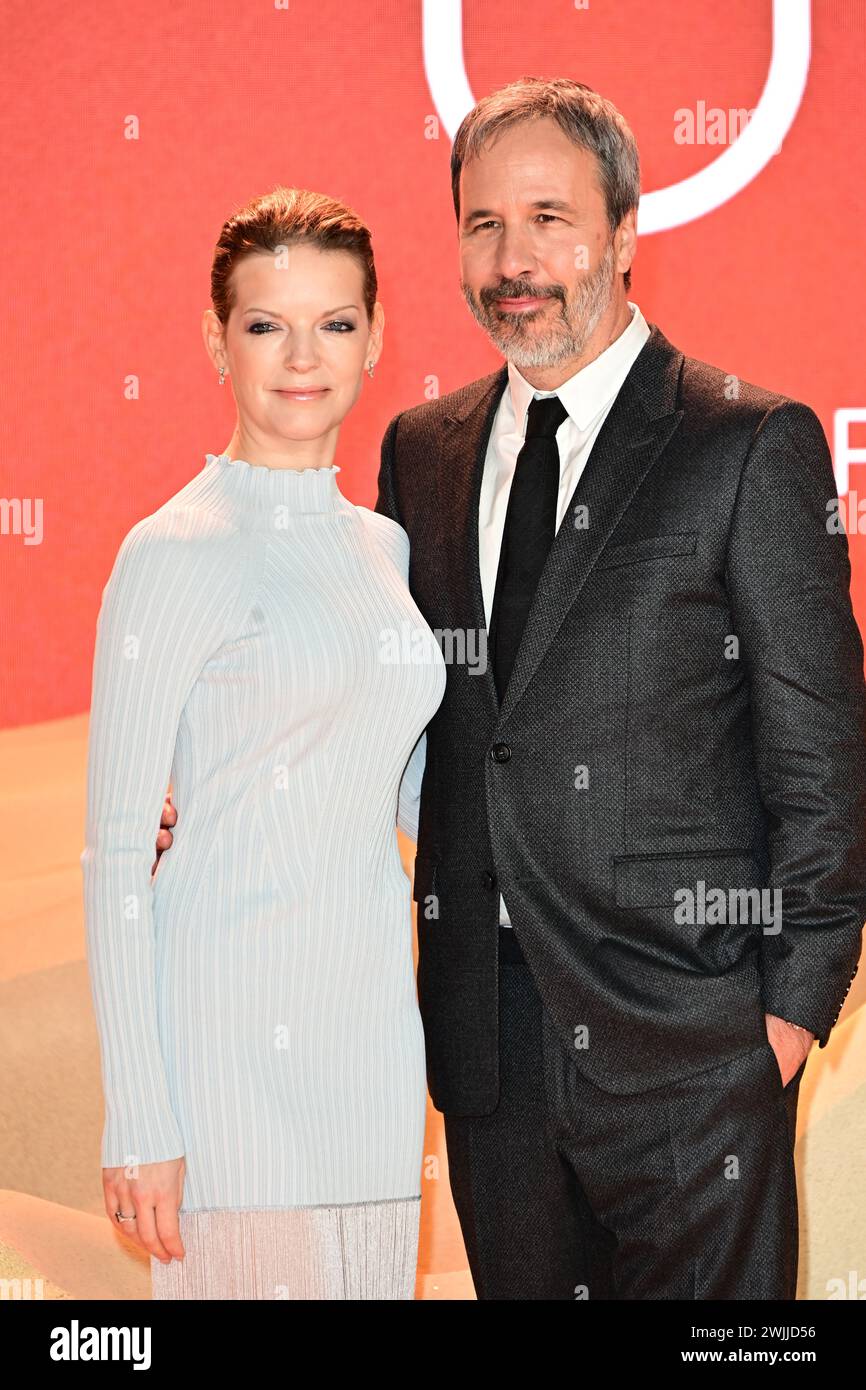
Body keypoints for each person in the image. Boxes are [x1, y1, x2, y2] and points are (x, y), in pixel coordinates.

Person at [372, 77, 866, 1299]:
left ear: (625, 232)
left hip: (691, 1044)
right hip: (488, 1052)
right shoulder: (419, 452)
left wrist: (784, 1019)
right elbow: (390, 711)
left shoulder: (744, 443)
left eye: (549, 218)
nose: (513, 260)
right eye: (483, 225)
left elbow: (821, 754)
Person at [81, 186, 446, 1300]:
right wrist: (139, 1115)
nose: (302, 357)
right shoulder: (171, 550)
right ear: (216, 341)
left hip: (372, 1043)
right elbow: (114, 854)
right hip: (225, 1044)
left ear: (375, 338)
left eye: (334, 322)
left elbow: (412, 794)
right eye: (265, 325)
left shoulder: (383, 546)